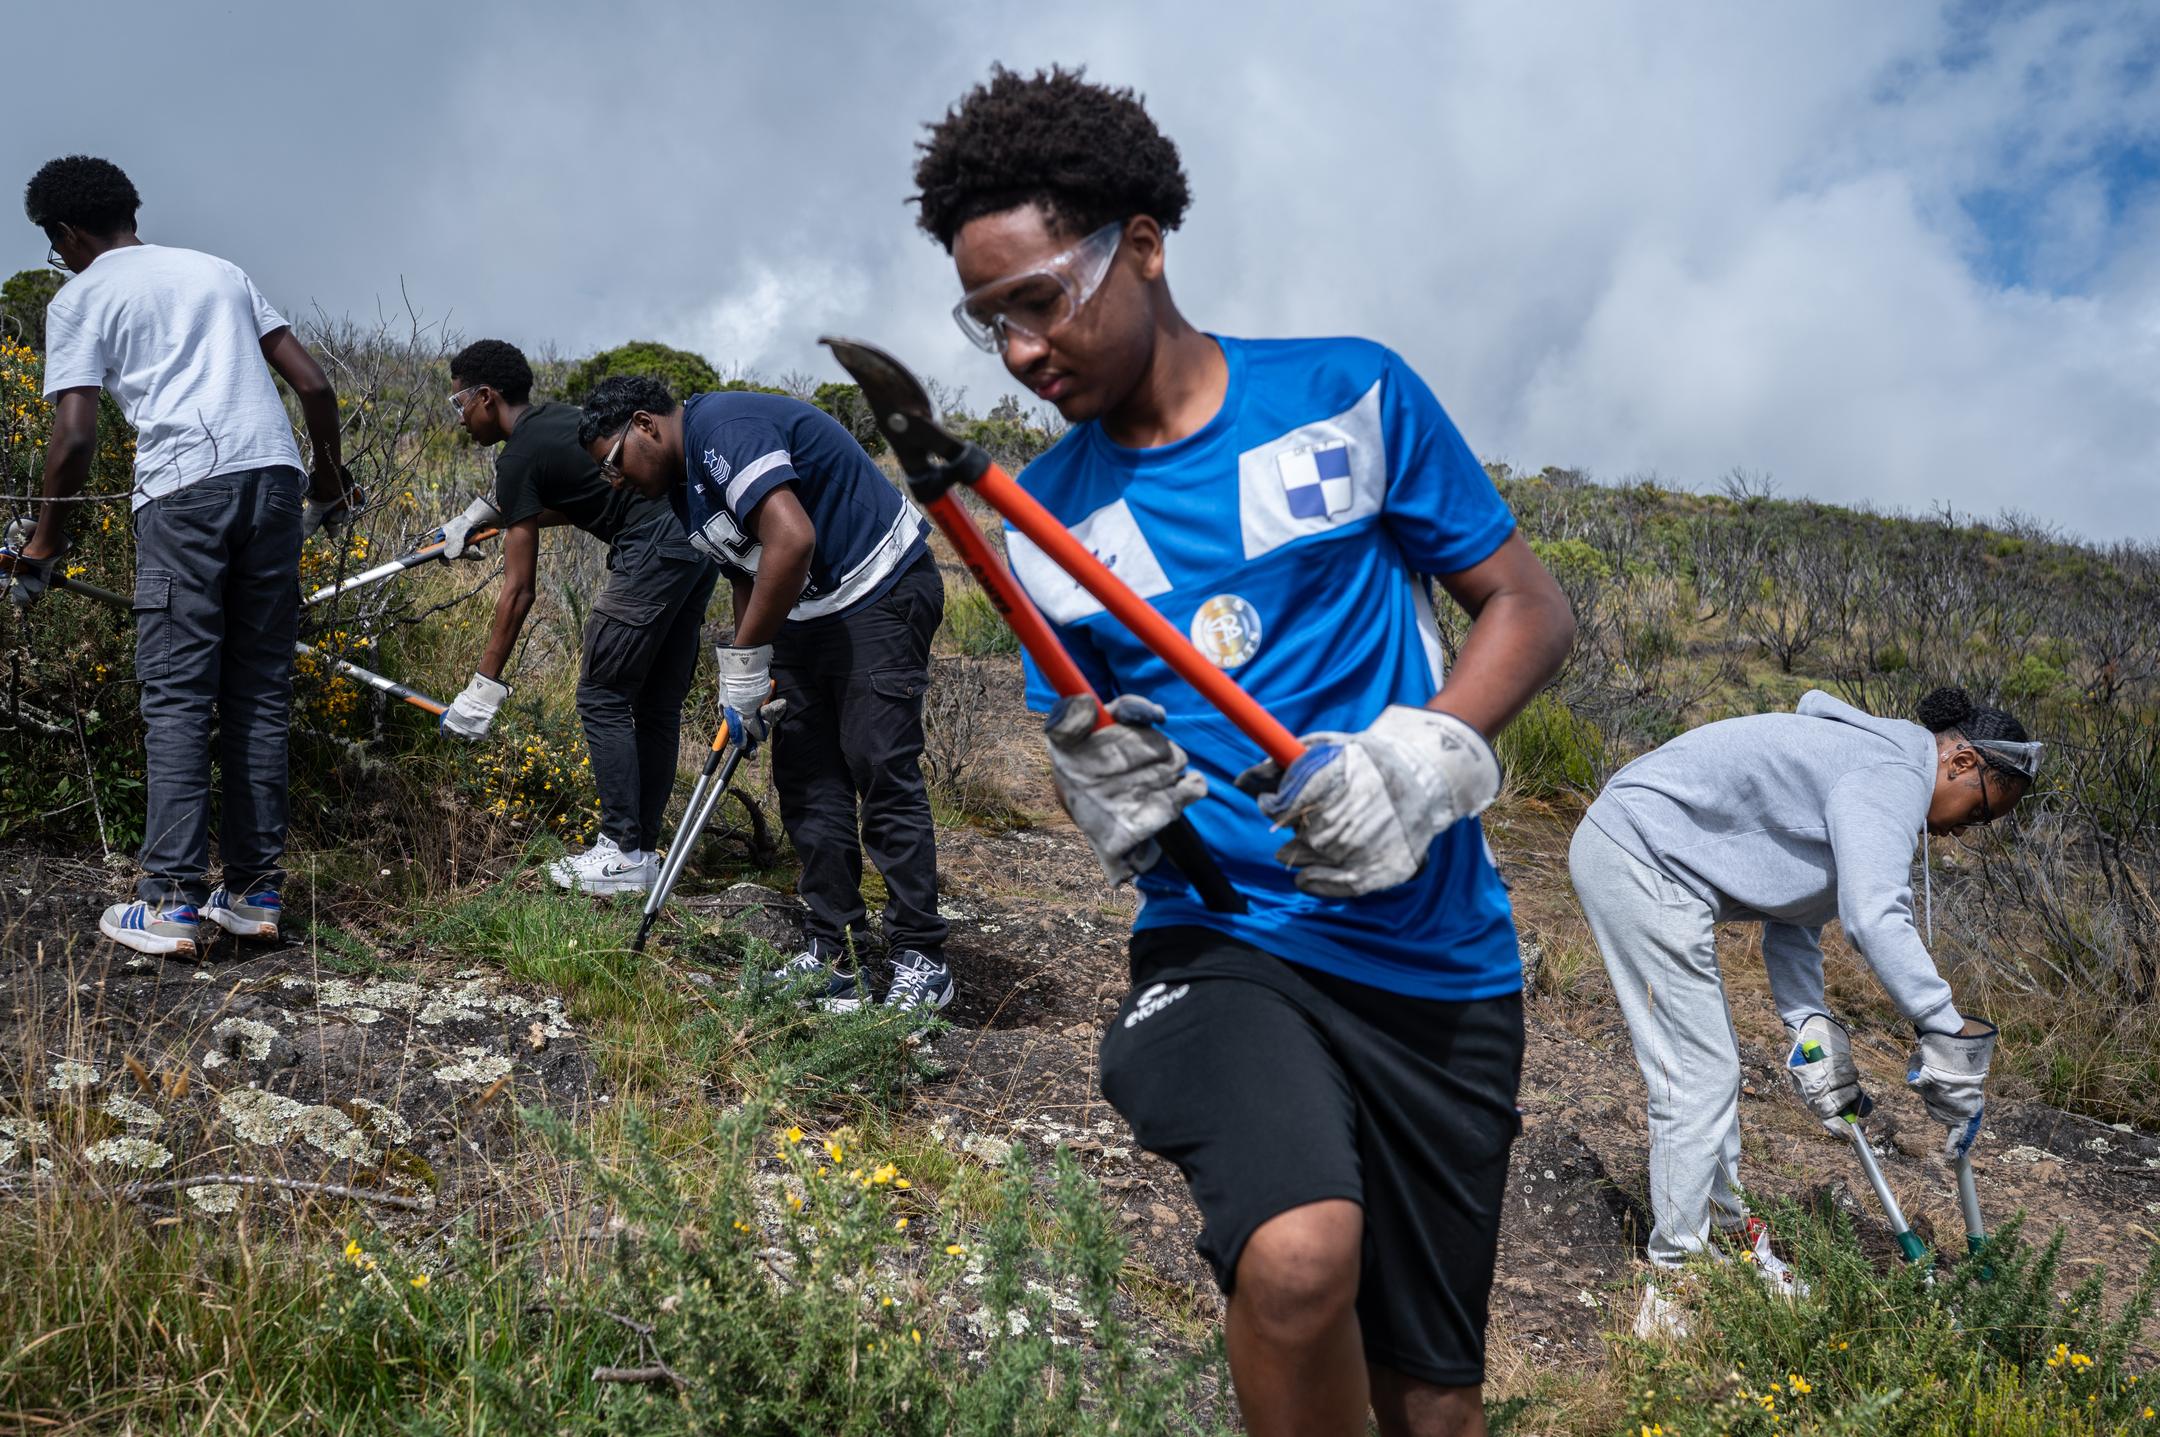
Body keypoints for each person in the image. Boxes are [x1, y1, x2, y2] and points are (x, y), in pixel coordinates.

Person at [911, 67, 1576, 1437]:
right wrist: (1097, 784)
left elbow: (1528, 606)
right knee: (1298, 1255)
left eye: (1041, 300)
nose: (1026, 353)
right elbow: (1086, 730)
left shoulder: (1349, 395)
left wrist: (1425, 759)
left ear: (1144, 245)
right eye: (992, 328)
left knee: (1434, 1410)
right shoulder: (1038, 520)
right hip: (1229, 946)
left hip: (1441, 966)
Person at [1567, 685, 2035, 1337]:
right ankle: (1676, 1285)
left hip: (1650, 859)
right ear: (1960, 763)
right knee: (1698, 1075)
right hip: (1642, 854)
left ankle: (1729, 1240)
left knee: (1709, 1069)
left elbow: (1794, 921)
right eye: (1980, 809)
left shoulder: (1869, 769)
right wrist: (1945, 1028)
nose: (1964, 830)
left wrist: (1810, 1027)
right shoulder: (1891, 776)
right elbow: (1875, 916)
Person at [5, 155, 351, 958]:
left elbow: (76, 432)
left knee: (179, 693)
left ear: (66, 234)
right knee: (259, 689)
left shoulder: (81, 296)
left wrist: (43, 546)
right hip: (272, 482)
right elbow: (314, 385)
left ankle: (167, 902)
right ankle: (253, 896)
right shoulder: (218, 270)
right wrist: (327, 484)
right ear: (129, 209)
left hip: (183, 495)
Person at [574, 376, 952, 1014]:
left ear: (646, 424)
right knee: (807, 780)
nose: (615, 480)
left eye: (614, 462)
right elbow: (749, 571)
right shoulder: (683, 492)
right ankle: (838, 952)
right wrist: (751, 675)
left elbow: (792, 539)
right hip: (807, 616)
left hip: (881, 593)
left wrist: (746, 659)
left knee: (878, 767)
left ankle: (921, 956)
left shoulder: (720, 429)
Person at [436, 341, 717, 896]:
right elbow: (587, 499)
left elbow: (519, 591)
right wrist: (480, 516)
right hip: (694, 539)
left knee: (602, 695)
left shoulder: (516, 455)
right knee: (655, 706)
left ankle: (619, 850)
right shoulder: (561, 422)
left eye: (458, 403)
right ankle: (641, 854)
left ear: (486, 398)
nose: (460, 416)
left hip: (653, 548)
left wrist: (481, 688)